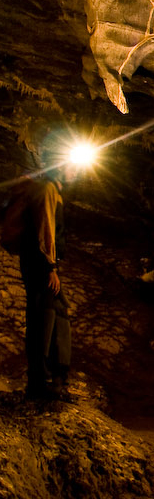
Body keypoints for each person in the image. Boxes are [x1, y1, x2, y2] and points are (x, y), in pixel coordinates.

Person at [6, 166, 72, 401]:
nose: (74, 170)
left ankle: (56, 378)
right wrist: (50, 267)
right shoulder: (46, 189)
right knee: (43, 318)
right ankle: (40, 381)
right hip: (38, 262)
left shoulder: (53, 191)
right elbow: (46, 230)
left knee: (57, 312)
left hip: (38, 261)